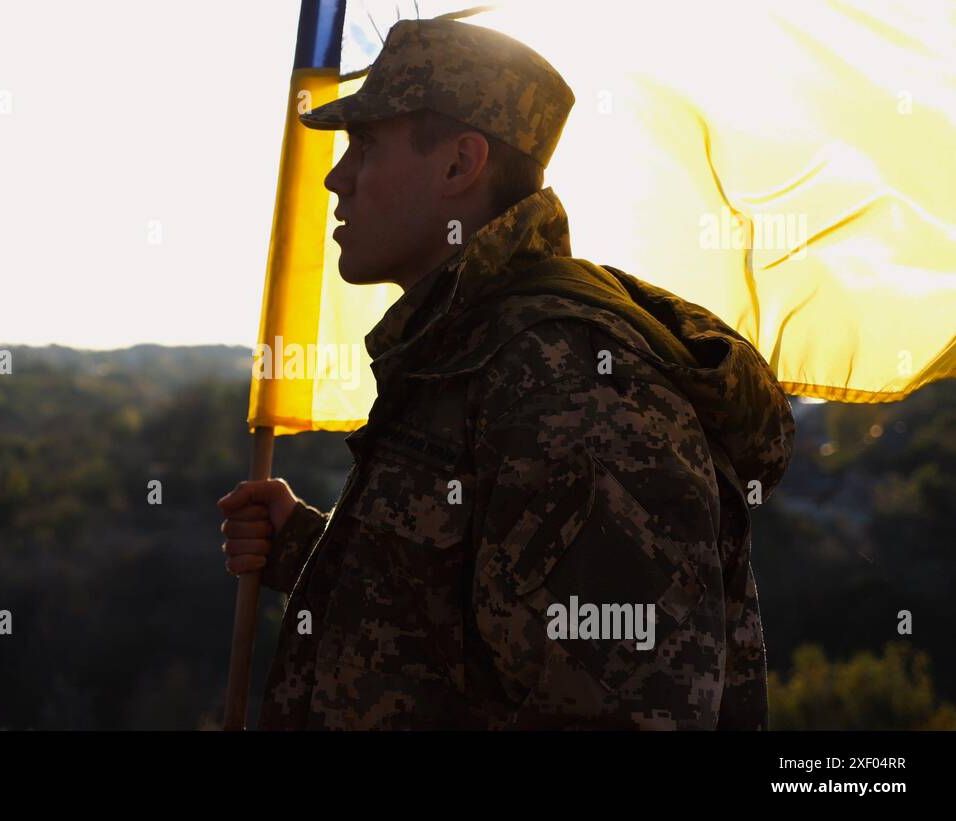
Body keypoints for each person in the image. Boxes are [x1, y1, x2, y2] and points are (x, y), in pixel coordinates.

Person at [216, 18, 795, 730]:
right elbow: (471, 626)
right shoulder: (470, 349)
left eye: (364, 146)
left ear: (460, 165)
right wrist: (310, 549)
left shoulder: (572, 387)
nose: (336, 178)